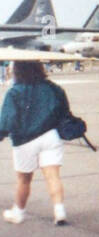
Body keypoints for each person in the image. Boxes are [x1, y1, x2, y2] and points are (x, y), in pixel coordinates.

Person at [1, 61, 72, 225]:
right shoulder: (53, 88)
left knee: (24, 179)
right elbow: (64, 111)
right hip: (50, 135)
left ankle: (18, 213)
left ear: (18, 70)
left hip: (25, 140)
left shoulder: (14, 92)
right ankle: (59, 212)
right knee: (53, 176)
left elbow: (7, 119)